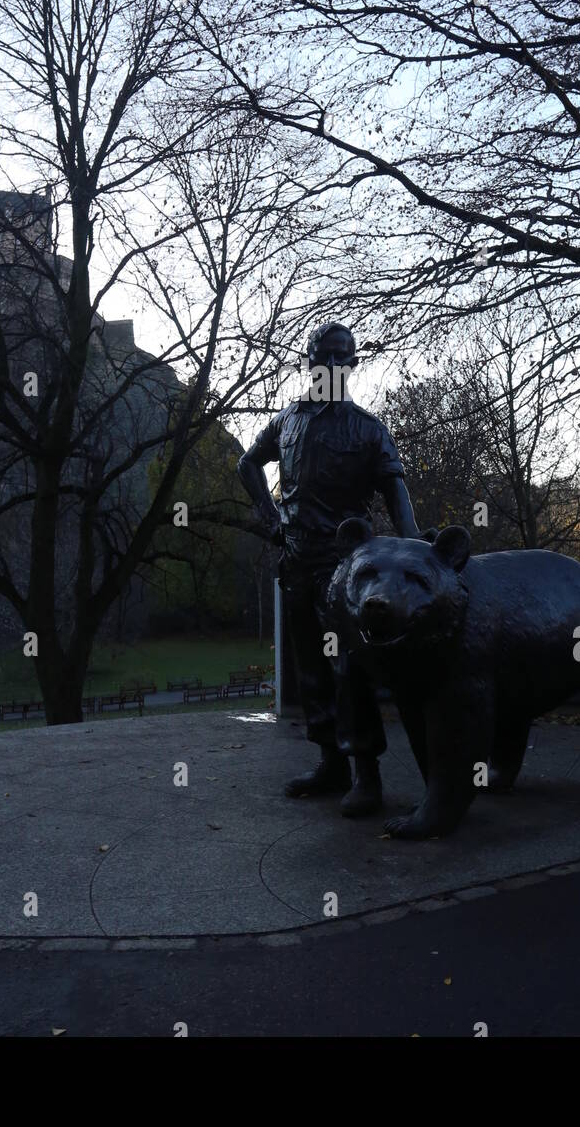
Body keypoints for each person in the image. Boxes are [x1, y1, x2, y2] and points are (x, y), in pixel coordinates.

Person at [237, 322, 421, 817]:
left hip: (345, 571)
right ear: (310, 361)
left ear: (352, 365)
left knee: (349, 668)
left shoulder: (368, 429)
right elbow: (247, 465)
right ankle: (329, 762)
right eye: (324, 355)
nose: (333, 364)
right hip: (296, 560)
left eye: (343, 356)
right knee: (311, 669)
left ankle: (366, 773)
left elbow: (397, 496)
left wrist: (417, 552)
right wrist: (269, 518)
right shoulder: (287, 421)